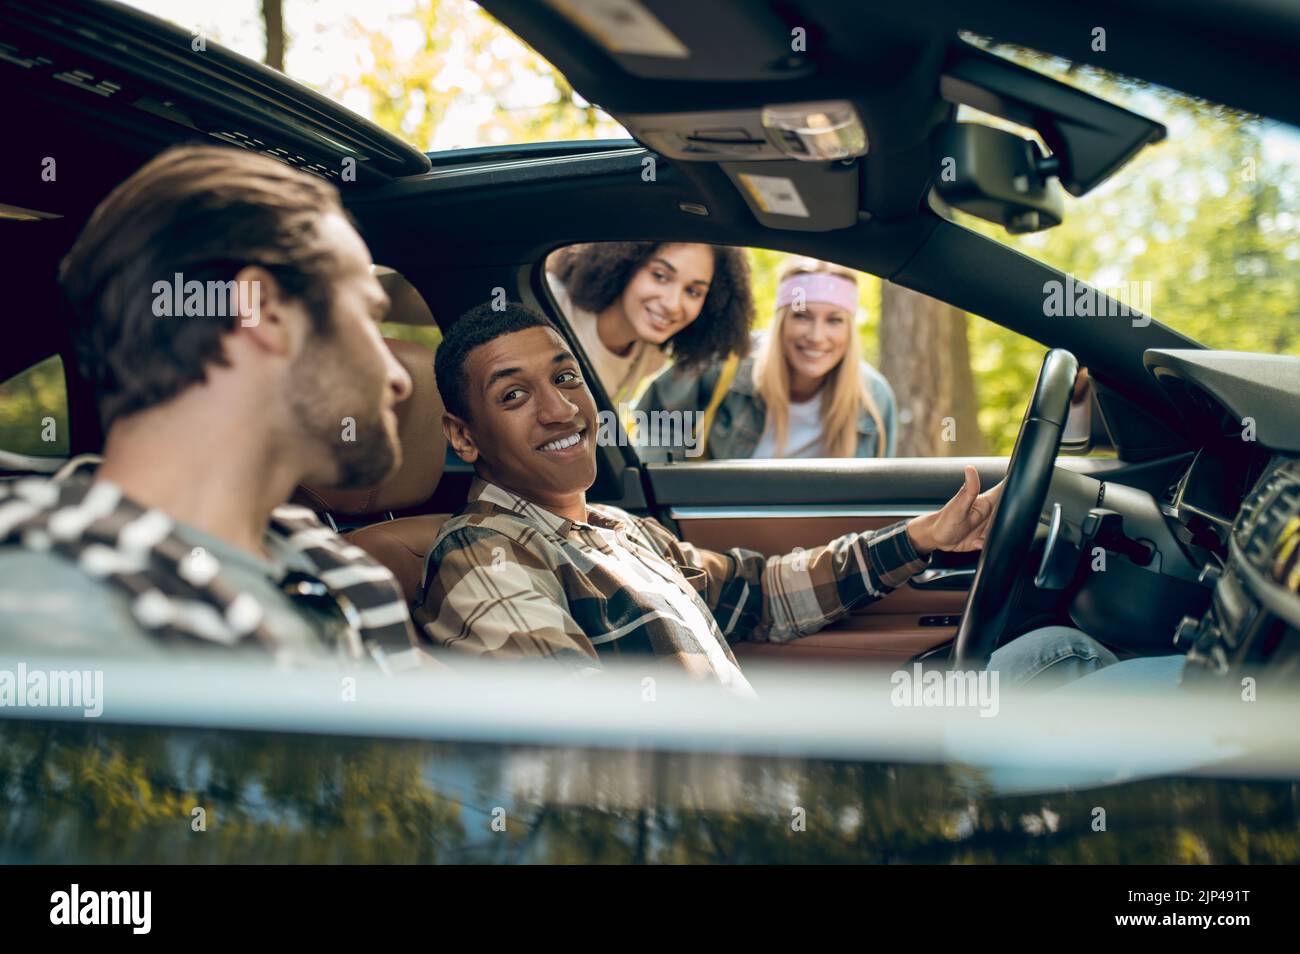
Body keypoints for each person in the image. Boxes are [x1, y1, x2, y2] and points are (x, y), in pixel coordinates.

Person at [415, 301, 1027, 696]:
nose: (560, 410)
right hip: (721, 812)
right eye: (514, 396)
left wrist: (923, 538)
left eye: (566, 377)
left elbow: (756, 591)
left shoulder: (615, 527)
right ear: (465, 436)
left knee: (1049, 656)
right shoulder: (485, 554)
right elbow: (582, 740)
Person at [0, 145, 436, 673]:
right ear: (266, 312)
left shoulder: (328, 559)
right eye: (369, 316)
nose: (397, 377)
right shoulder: (54, 611)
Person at [636, 257, 896, 460]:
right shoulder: (724, 363)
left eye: (834, 320)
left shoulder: (874, 397)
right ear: (781, 321)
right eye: (801, 316)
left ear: (849, 329)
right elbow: (654, 426)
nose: (817, 336)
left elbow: (877, 497)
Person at [545, 241, 754, 407]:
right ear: (624, 263)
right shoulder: (550, 305)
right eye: (660, 276)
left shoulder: (652, 355)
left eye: (693, 291)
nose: (673, 304)